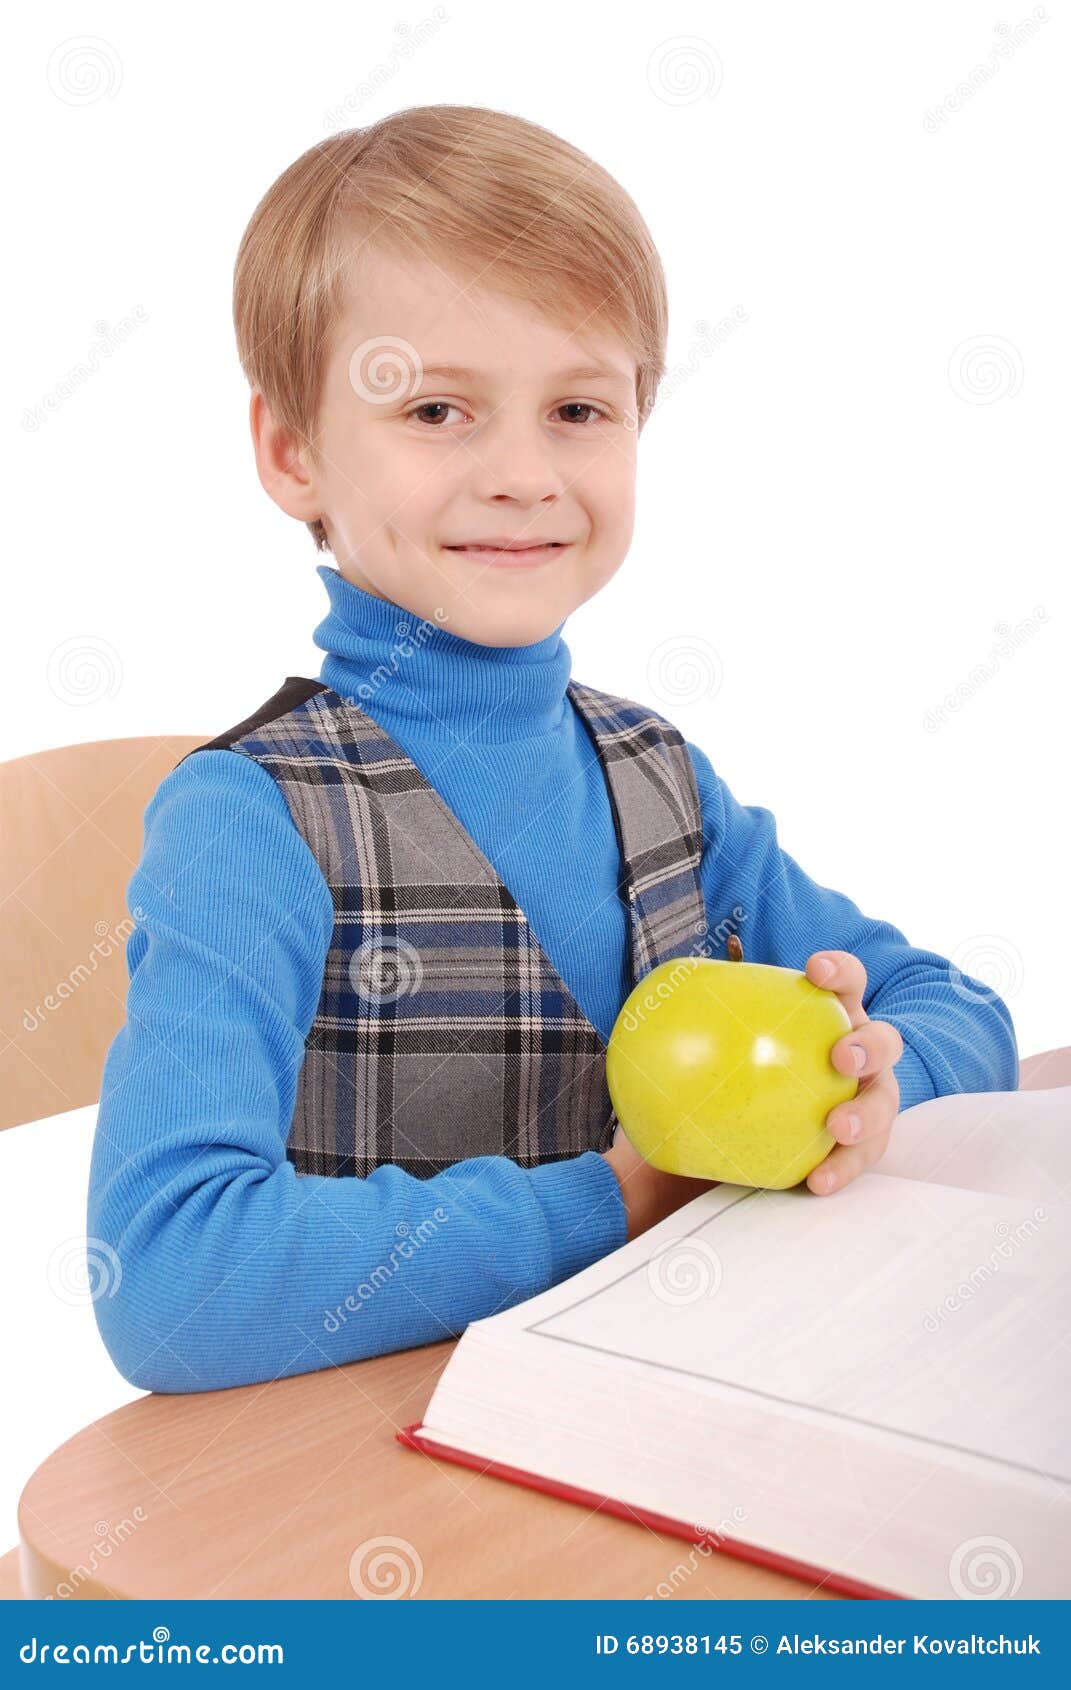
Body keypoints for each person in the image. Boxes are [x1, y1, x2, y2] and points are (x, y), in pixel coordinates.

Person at [87, 106, 1017, 1394]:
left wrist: (868, 1092)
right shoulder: (247, 820)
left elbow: (960, 1011)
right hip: (356, 1499)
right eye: (435, 410)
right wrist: (618, 1198)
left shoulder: (662, 776)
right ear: (292, 450)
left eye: (578, 406)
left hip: (655, 1425)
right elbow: (173, 1282)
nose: (523, 472)